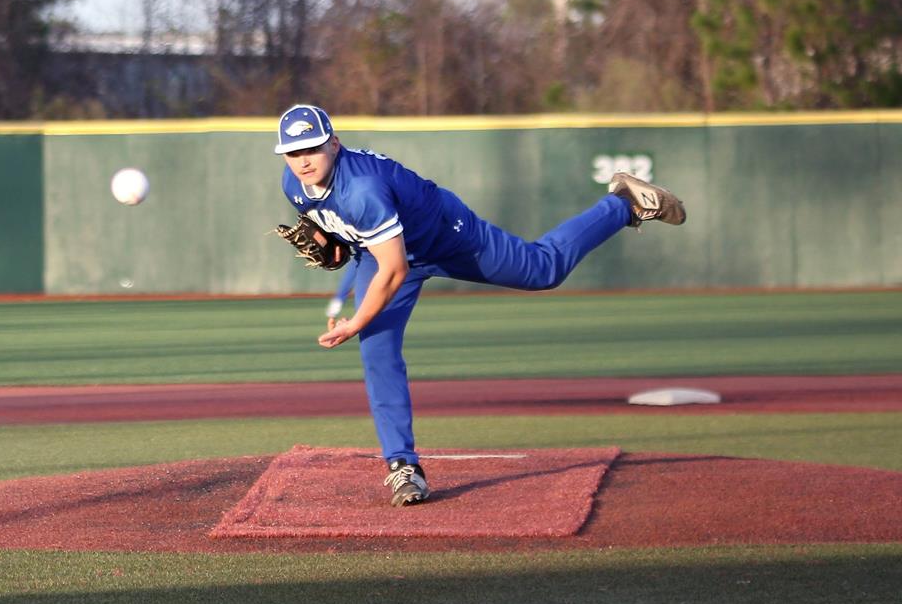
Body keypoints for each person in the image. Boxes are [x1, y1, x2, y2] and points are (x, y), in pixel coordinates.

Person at [272, 103, 686, 506]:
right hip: (382, 253)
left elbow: (394, 270)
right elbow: (353, 236)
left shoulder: (361, 188)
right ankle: (403, 465)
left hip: (446, 237)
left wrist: (355, 321)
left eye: (312, 147)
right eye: (293, 152)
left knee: (542, 270)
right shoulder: (293, 185)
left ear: (334, 144)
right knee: (378, 352)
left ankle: (621, 203)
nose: (303, 160)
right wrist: (339, 242)